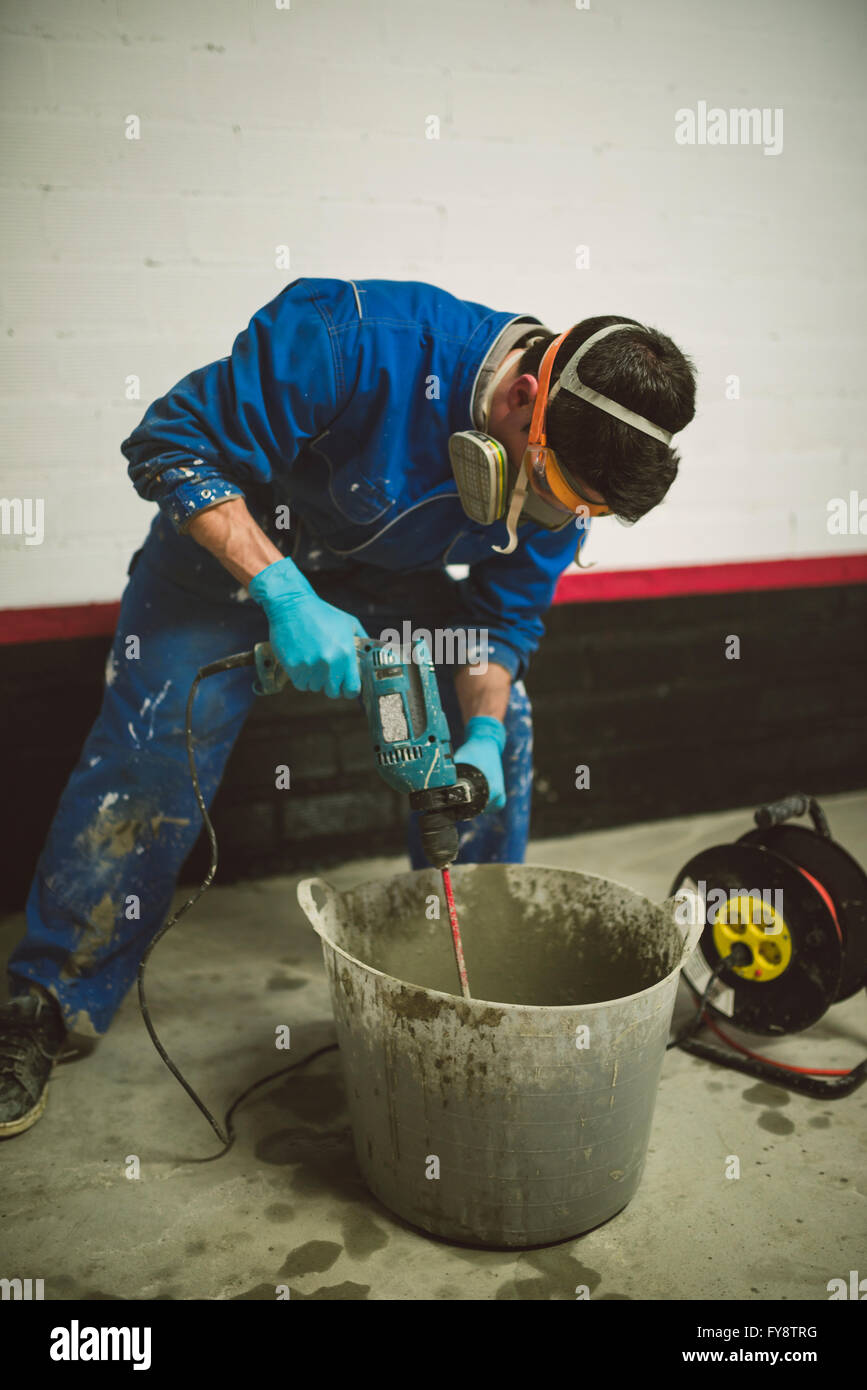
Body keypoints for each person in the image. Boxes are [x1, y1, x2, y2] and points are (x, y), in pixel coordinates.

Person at [0, 277, 696, 1136]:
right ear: (526, 397)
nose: (559, 515)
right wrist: (284, 594)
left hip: (377, 580)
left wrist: (476, 732)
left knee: (501, 735)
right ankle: (46, 1003)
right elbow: (169, 443)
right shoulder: (353, 337)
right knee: (151, 752)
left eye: (581, 511)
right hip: (226, 549)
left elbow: (496, 625)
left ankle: (460, 967)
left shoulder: (569, 475)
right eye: (552, 485)